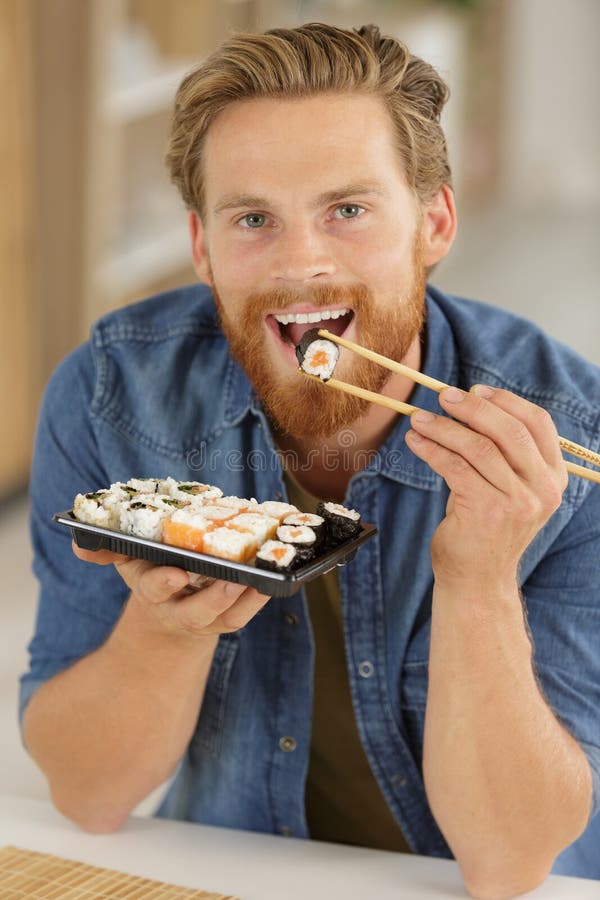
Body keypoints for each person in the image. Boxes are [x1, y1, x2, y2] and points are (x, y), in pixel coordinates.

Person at [20, 22, 600, 898]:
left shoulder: (567, 436)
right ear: (203, 248)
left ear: (433, 221)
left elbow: (510, 864)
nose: (301, 263)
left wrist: (479, 577)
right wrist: (167, 628)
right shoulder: (112, 394)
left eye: (349, 210)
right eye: (254, 218)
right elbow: (89, 796)